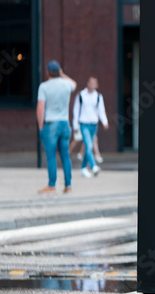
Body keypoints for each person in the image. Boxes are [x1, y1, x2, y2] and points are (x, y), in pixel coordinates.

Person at [36, 60, 76, 194]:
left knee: (51, 155)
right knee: (65, 155)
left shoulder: (44, 87)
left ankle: (52, 185)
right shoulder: (66, 85)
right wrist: (63, 74)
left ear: (47, 72)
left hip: (51, 123)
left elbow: (41, 106)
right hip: (65, 123)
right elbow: (74, 84)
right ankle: (68, 185)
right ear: (59, 72)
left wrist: (41, 124)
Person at [72, 76, 109, 178]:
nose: (92, 85)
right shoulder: (81, 95)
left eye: (94, 84)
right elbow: (76, 111)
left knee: (89, 146)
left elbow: (101, 111)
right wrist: (75, 125)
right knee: (88, 146)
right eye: (90, 83)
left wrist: (105, 121)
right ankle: (93, 166)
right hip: (84, 124)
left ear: (97, 86)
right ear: (87, 83)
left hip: (94, 125)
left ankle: (83, 168)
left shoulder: (98, 96)